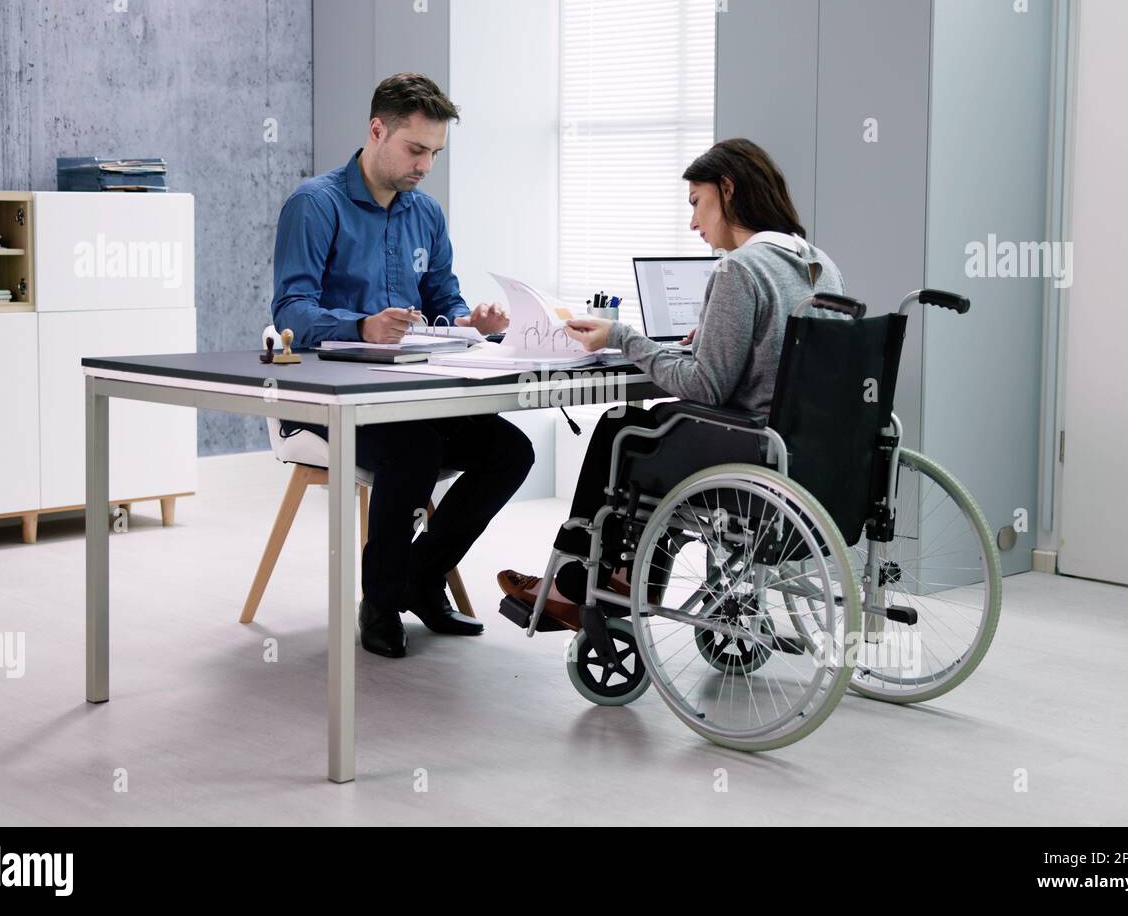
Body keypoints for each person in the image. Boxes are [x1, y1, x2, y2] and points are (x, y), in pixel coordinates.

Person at [498, 138, 845, 626]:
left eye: (696, 203)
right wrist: (712, 340)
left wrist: (623, 336)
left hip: (747, 449)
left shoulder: (740, 268)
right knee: (648, 430)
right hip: (804, 450)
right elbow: (781, 359)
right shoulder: (820, 265)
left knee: (623, 426)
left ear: (727, 189)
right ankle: (622, 574)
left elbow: (705, 388)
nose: (694, 223)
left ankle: (572, 585)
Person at [272, 72, 534, 658]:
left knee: (511, 451)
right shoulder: (315, 205)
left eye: (435, 153)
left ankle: (423, 574)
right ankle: (382, 601)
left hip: (413, 396)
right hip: (329, 402)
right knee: (414, 447)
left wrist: (473, 322)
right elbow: (291, 311)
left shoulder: (427, 214)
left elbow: (446, 302)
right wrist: (361, 326)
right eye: (416, 150)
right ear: (376, 130)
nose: (425, 166)